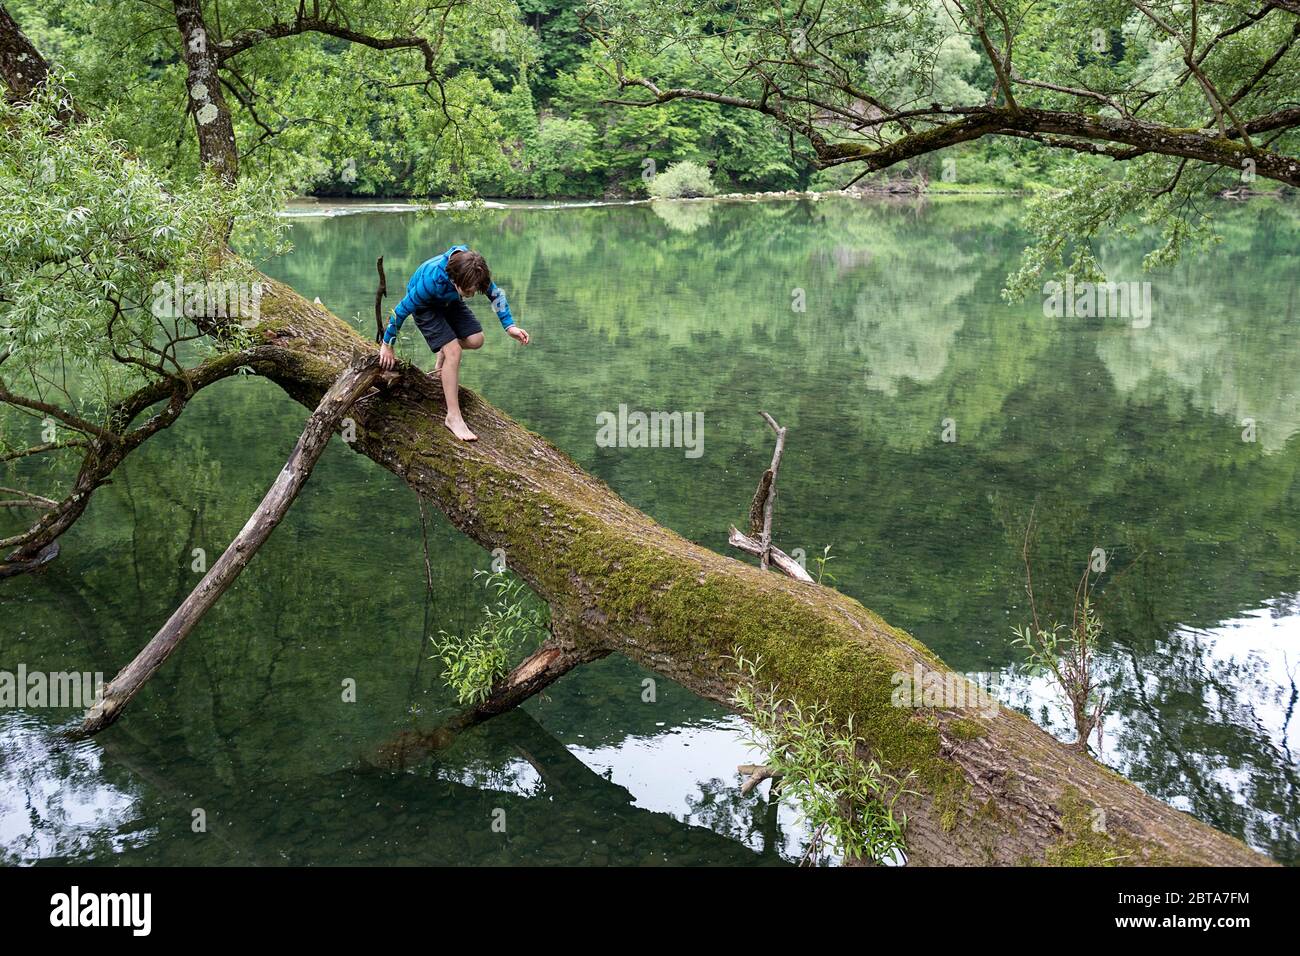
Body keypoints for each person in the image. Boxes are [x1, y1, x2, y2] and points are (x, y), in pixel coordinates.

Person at [378, 245, 530, 441]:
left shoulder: (473, 270)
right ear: (455, 280)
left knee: (476, 340)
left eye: (475, 290)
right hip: (426, 308)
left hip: (449, 300)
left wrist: (510, 326)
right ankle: (453, 417)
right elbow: (401, 311)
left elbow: (496, 295)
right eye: (468, 290)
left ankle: (445, 350)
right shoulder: (431, 281)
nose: (472, 294)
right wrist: (387, 344)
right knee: (454, 351)